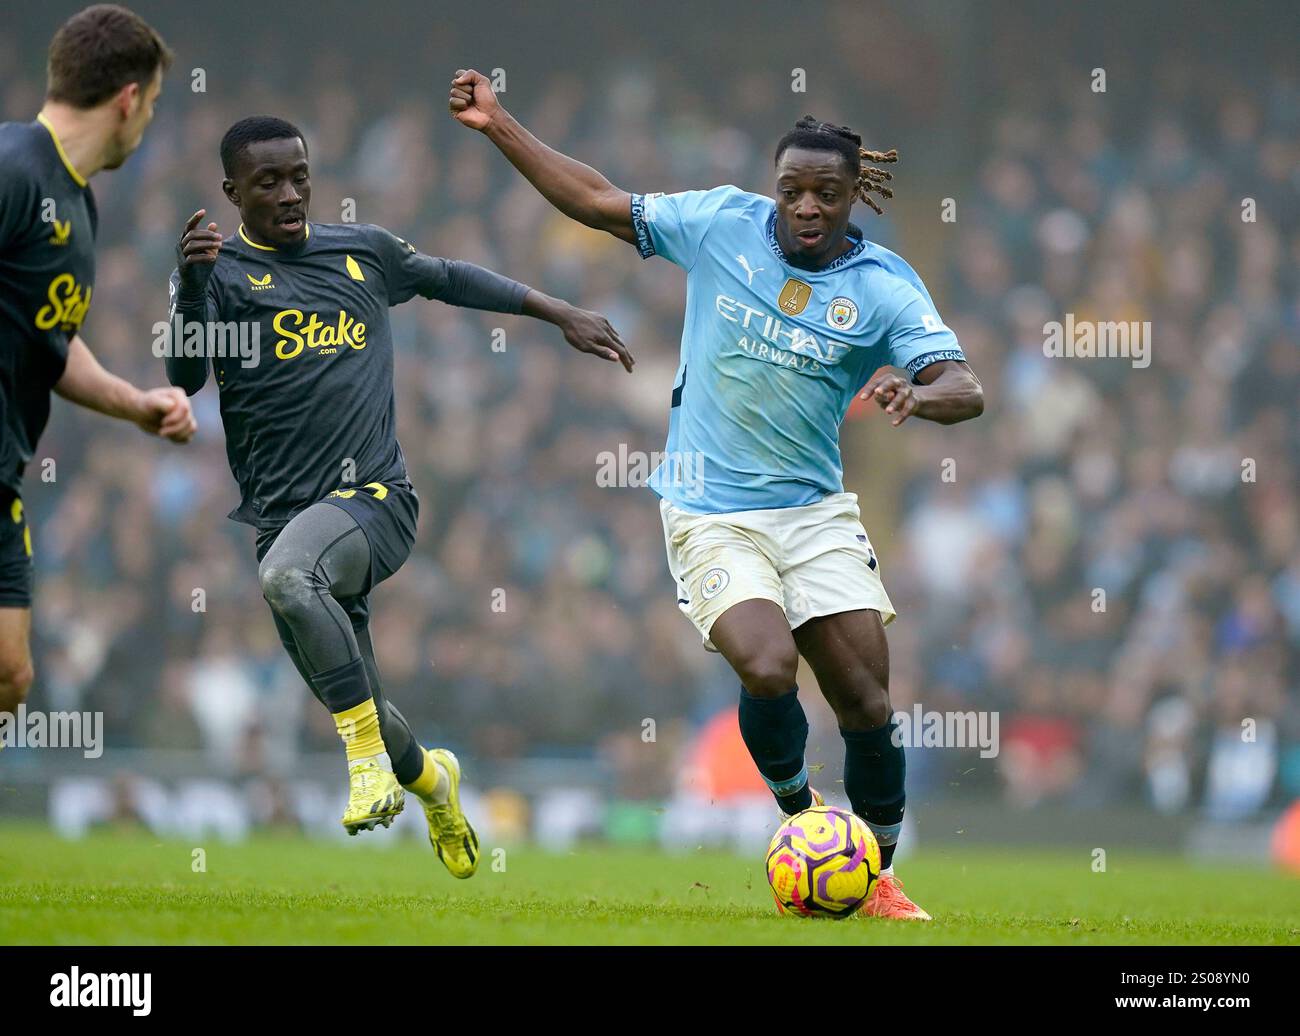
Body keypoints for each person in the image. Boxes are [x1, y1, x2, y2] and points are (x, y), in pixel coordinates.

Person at [450, 71, 984, 917]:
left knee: (867, 703)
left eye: (826, 194)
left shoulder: (883, 284)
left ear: (854, 197)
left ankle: (876, 869)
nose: (806, 207)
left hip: (813, 513)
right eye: (793, 190)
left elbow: (965, 385)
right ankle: (804, 821)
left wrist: (917, 395)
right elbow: (596, 200)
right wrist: (499, 124)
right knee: (768, 664)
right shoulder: (721, 223)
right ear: (775, 187)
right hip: (710, 508)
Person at [166, 115, 631, 878]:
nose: (290, 194)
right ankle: (435, 786)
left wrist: (560, 314)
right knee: (370, 709)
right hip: (286, 522)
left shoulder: (363, 252)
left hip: (374, 499)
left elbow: (453, 278)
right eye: (268, 182)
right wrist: (187, 285)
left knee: (287, 579)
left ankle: (365, 768)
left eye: (300, 176)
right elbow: (186, 379)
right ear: (232, 192)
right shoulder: (213, 276)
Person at [0, 4, 195, 724]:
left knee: (11, 675)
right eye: (153, 106)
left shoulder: (77, 205)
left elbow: (50, 339)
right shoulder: (13, 166)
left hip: (5, 466)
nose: (147, 126)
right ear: (128, 98)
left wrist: (132, 403)